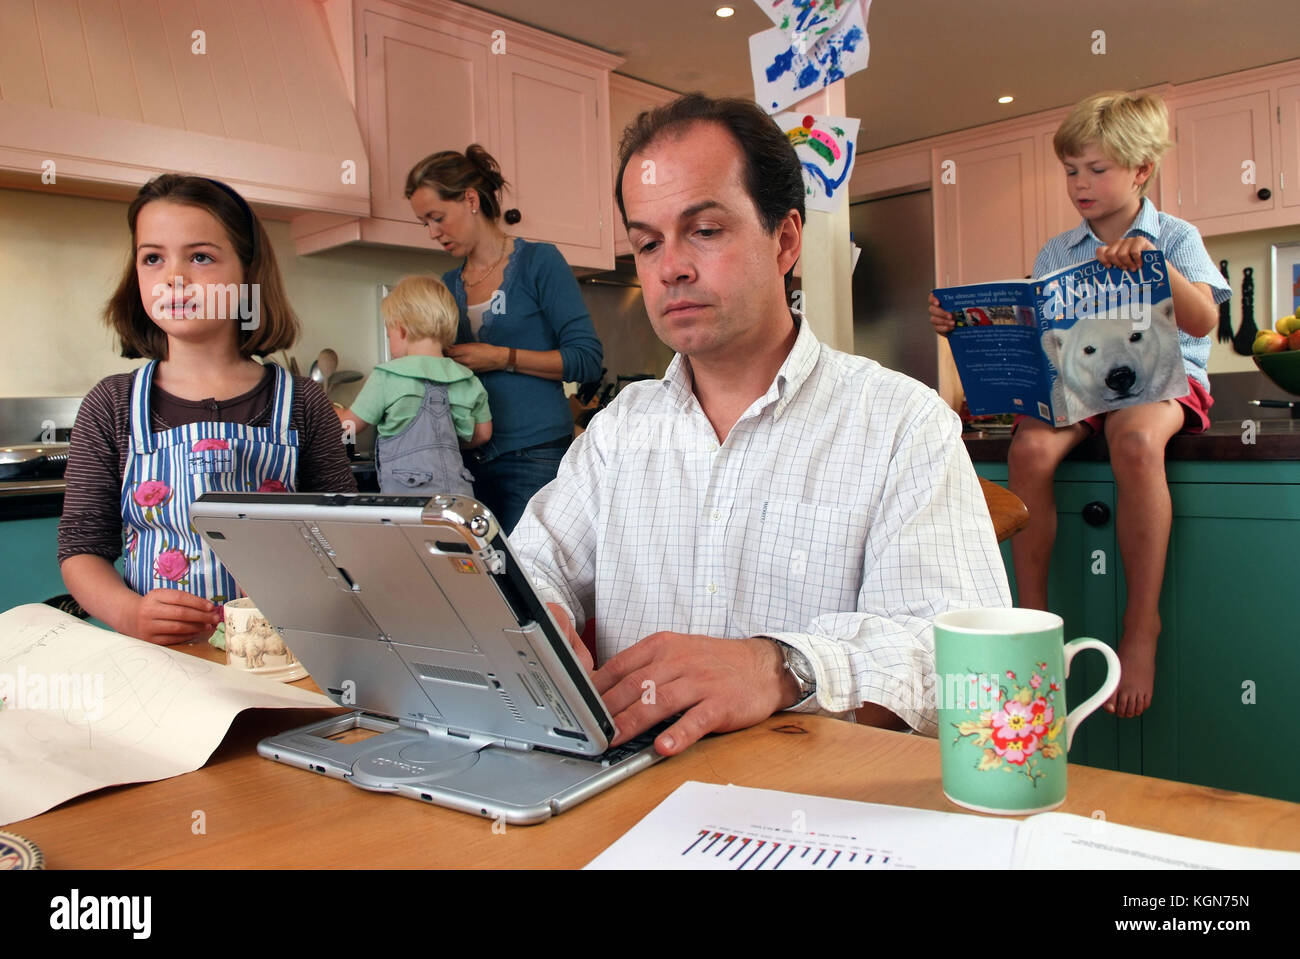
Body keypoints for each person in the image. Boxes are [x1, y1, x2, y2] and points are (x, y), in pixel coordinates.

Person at [510, 94, 1011, 758]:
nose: (671, 267)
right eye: (647, 242)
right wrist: (535, 617)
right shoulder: (617, 432)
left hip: (822, 815)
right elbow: (526, 567)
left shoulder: (901, 423)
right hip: (629, 793)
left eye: (705, 230)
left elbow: (970, 664)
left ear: (785, 240)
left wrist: (780, 666)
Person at [928, 91, 1231, 718]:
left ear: (1140, 170)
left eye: (1097, 170)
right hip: (1078, 387)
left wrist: (1157, 267)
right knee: (1031, 448)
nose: (1079, 184)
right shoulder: (1056, 252)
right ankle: (1032, 621)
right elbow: (1041, 340)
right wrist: (965, 327)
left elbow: (1203, 322)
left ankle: (1141, 625)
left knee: (1138, 440)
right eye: (1071, 170)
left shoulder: (1175, 235)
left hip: (1163, 382)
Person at [58, 174, 356, 646]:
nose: (174, 278)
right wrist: (130, 613)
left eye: (200, 257)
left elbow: (345, 538)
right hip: (159, 665)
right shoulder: (110, 404)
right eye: (152, 258)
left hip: (282, 656)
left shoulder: (302, 401)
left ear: (248, 273)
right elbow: (81, 549)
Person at [404, 145, 604, 533]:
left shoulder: (538, 263)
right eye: (424, 223)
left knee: (530, 583)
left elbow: (586, 358)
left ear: (470, 199)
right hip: (466, 464)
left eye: (437, 217)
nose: (432, 232)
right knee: (484, 584)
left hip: (536, 457)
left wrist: (500, 357)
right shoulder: (448, 286)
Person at [336, 275, 491, 496]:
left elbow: (348, 427)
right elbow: (483, 434)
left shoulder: (387, 377)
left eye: (389, 334)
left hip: (408, 498)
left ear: (401, 330)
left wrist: (335, 414)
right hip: (460, 494)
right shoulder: (468, 379)